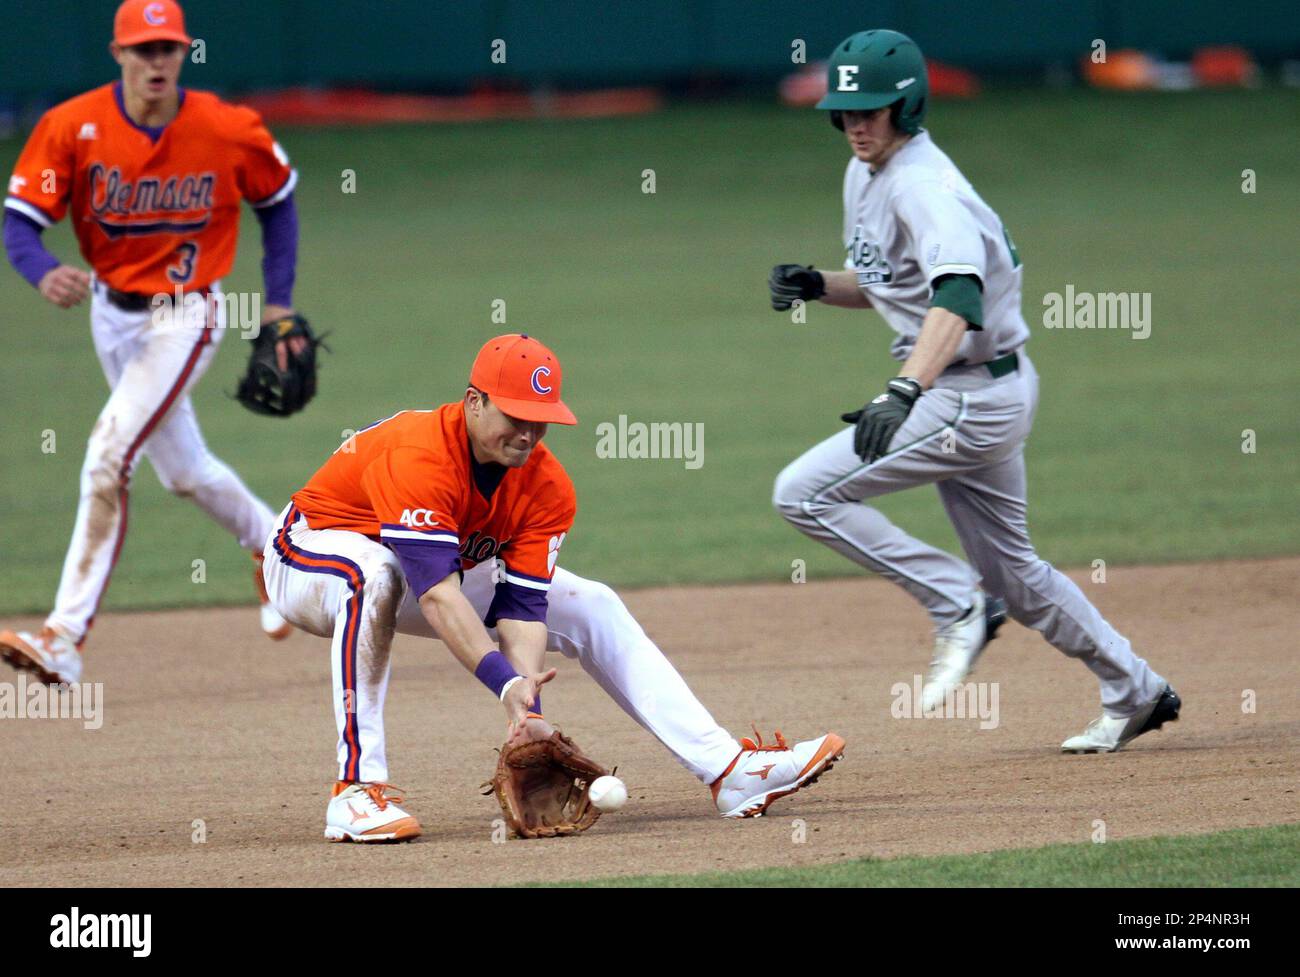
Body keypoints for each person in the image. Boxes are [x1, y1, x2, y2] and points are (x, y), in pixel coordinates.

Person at [768, 29, 1179, 753]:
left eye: (874, 108)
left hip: (966, 397)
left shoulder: (926, 184)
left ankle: (955, 600)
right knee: (1016, 574)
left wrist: (903, 390)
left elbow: (958, 294)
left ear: (909, 105)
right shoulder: (865, 174)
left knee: (803, 493)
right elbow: (893, 282)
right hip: (975, 388)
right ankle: (1136, 689)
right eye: (846, 110)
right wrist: (819, 286)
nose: (858, 122)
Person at [262, 333, 844, 841]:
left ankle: (727, 771)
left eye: (541, 418)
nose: (529, 432)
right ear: (473, 402)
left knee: (591, 603)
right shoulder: (421, 456)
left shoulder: (546, 487)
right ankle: (356, 790)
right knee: (374, 575)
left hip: (421, 569)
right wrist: (501, 682)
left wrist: (526, 710)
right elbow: (439, 597)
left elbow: (519, 605)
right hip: (308, 554)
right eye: (515, 415)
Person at [1, 0, 305, 685]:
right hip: (111, 316)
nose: (156, 61)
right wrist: (43, 270)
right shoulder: (72, 126)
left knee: (110, 452)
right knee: (186, 471)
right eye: (142, 49)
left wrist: (278, 299)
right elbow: (19, 220)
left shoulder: (226, 129)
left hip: (185, 315)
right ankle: (277, 547)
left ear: (185, 52)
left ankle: (63, 635)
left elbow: (278, 197)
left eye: (167, 48)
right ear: (118, 54)